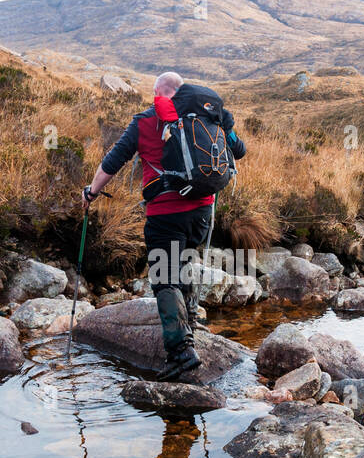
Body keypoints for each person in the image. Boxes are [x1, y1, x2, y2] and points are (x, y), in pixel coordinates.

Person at [83, 71, 246, 380]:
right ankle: (190, 326)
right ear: (183, 92)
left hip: (165, 212)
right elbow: (238, 150)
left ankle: (181, 351)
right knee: (183, 263)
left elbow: (113, 161)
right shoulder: (209, 119)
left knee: (164, 277)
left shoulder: (145, 120)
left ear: (158, 92)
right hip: (202, 211)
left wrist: (91, 192)